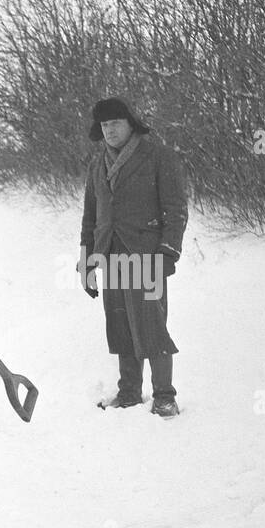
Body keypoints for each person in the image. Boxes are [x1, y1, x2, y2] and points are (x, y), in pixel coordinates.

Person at [79, 97, 188, 417]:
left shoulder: (158, 156)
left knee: (151, 324)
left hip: (147, 255)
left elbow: (175, 209)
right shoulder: (97, 164)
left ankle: (164, 395)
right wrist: (87, 261)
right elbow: (90, 217)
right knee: (120, 324)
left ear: (131, 124)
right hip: (110, 253)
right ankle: (129, 392)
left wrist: (168, 252)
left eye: (115, 123)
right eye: (104, 125)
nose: (109, 130)